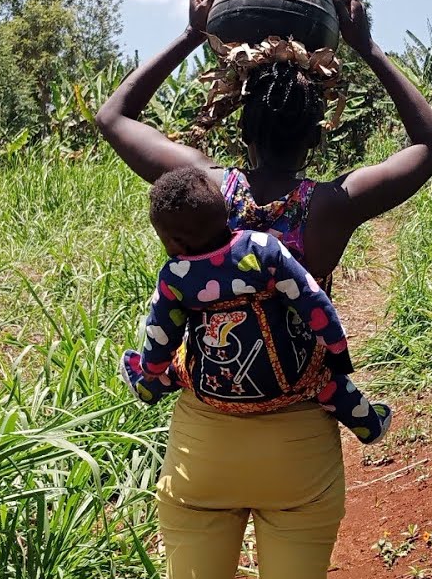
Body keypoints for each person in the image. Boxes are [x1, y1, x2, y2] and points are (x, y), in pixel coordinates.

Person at [96, 0, 432, 579]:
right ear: (316, 136)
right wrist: (368, 48)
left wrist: (191, 34)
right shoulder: (331, 207)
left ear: (242, 129)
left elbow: (114, 116)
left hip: (204, 439)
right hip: (300, 441)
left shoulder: (206, 188)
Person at [120, 166, 393, 443]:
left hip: (214, 392)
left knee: (177, 364)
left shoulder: (174, 277)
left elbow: (160, 334)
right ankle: (369, 424)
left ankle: (148, 387)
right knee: (327, 382)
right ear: (226, 213)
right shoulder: (261, 248)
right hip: (289, 385)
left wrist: (151, 370)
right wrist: (336, 346)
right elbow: (310, 298)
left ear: (174, 241)